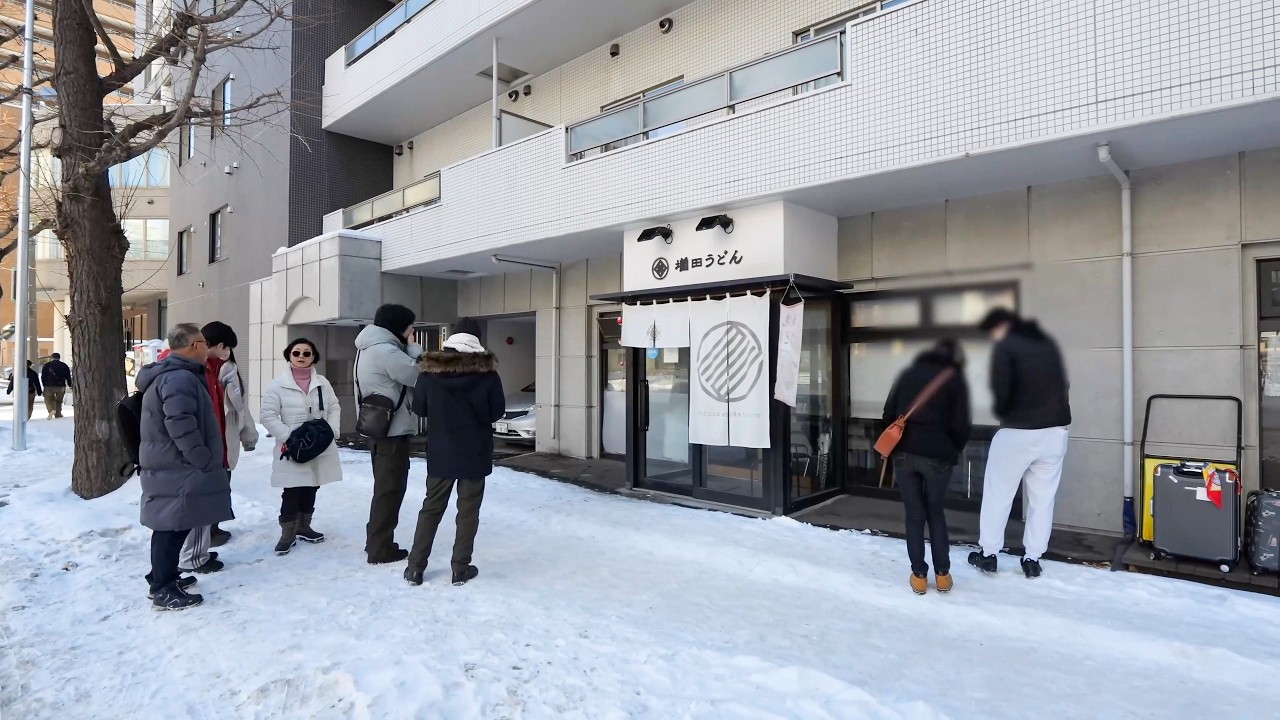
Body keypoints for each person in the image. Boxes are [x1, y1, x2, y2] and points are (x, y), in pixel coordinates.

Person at [969, 308, 1072, 579]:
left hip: (1018, 431)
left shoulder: (1006, 349)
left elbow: (1000, 392)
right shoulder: (1049, 347)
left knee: (998, 494)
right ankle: (1032, 558)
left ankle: (989, 554)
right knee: (1043, 498)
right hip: (1054, 432)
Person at [135, 323, 231, 610]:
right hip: (177, 467)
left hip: (171, 465)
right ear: (194, 346)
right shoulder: (179, 378)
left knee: (174, 523)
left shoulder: (176, 373)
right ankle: (162, 587)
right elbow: (180, 423)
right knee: (170, 526)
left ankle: (164, 576)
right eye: (203, 342)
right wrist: (200, 457)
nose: (206, 347)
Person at [404, 319, 505, 587]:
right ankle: (460, 568)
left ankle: (415, 568)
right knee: (468, 510)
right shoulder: (487, 373)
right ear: (477, 339)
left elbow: (420, 409)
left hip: (441, 450)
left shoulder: (429, 371)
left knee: (431, 507)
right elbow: (497, 412)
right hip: (475, 450)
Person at [882, 339, 971, 595]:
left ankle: (919, 575)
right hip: (938, 457)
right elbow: (962, 423)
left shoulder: (906, 376)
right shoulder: (955, 380)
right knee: (935, 513)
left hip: (905, 455)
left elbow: (888, 414)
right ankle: (943, 575)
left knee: (913, 515)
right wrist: (951, 447)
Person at [178, 322, 258, 574]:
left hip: (218, 444)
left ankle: (201, 547)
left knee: (215, 493)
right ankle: (192, 555)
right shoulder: (202, 371)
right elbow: (235, 405)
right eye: (226, 347)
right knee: (202, 499)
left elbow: (237, 409)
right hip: (205, 447)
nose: (227, 352)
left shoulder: (217, 370)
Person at [355, 304, 424, 564]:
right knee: (390, 490)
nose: (412, 331)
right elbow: (417, 374)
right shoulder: (386, 351)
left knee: (384, 488)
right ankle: (380, 548)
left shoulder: (368, 347)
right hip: (392, 432)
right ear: (399, 326)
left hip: (380, 429)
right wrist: (414, 347)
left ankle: (375, 540)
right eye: (409, 326)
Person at [260, 338, 343, 555]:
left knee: (311, 485)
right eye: (296, 352)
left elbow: (334, 407)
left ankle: (304, 526)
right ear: (289, 355)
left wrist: (331, 431)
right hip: (293, 448)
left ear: (314, 357)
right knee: (292, 489)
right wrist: (288, 436)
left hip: (318, 446)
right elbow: (267, 414)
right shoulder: (278, 384)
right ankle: (288, 533)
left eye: (307, 353)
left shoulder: (323, 383)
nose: (301, 356)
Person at [40, 353, 72, 418]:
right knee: (59, 401)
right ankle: (58, 413)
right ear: (59, 358)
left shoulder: (47, 365)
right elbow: (68, 376)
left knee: (48, 399)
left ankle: (51, 410)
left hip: (49, 385)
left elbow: (43, 375)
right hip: (61, 386)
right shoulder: (64, 365)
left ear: (52, 357)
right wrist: (70, 384)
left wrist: (44, 383)